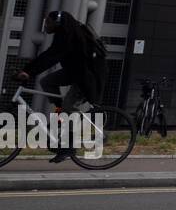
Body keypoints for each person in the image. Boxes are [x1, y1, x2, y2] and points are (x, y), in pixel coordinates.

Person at [14, 9, 108, 163]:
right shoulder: (63, 34)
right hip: (74, 71)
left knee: (69, 107)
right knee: (47, 82)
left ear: (57, 22)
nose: (45, 25)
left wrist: (29, 72)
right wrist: (27, 70)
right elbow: (49, 54)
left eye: (48, 22)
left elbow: (52, 57)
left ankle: (68, 148)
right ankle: (60, 114)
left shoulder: (69, 36)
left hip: (87, 77)